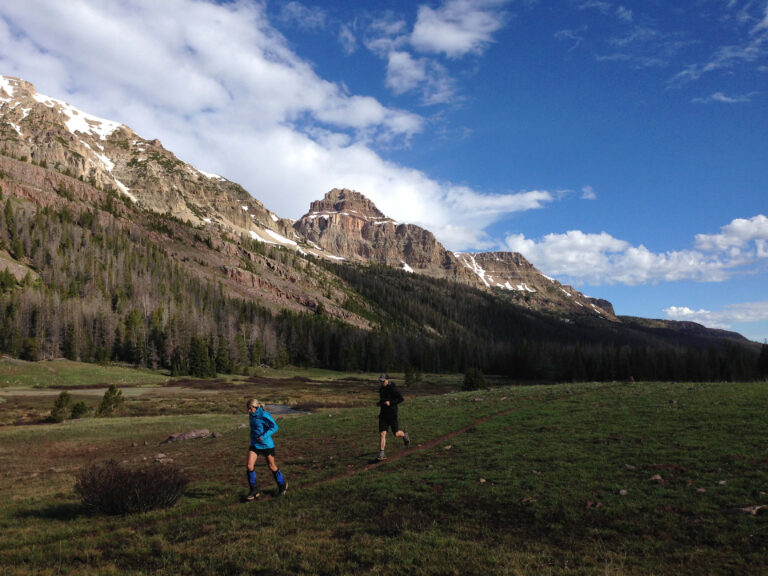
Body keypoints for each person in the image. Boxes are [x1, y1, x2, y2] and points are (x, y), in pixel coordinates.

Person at [245, 398, 287, 500]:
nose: (248, 411)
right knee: (249, 466)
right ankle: (254, 490)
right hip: (255, 444)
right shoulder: (251, 415)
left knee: (272, 466)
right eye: (247, 408)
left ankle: (282, 485)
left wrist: (263, 437)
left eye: (250, 408)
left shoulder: (264, 415)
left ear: (255, 407)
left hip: (267, 445)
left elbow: (275, 427)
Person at [377, 373, 410, 461]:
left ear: (388, 380)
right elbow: (382, 399)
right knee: (382, 433)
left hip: (392, 414)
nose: (382, 382)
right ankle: (382, 453)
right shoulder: (381, 389)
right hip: (383, 414)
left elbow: (400, 399)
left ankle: (404, 435)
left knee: (396, 433)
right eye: (380, 381)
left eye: (383, 381)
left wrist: (390, 403)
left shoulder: (393, 389)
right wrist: (380, 403)